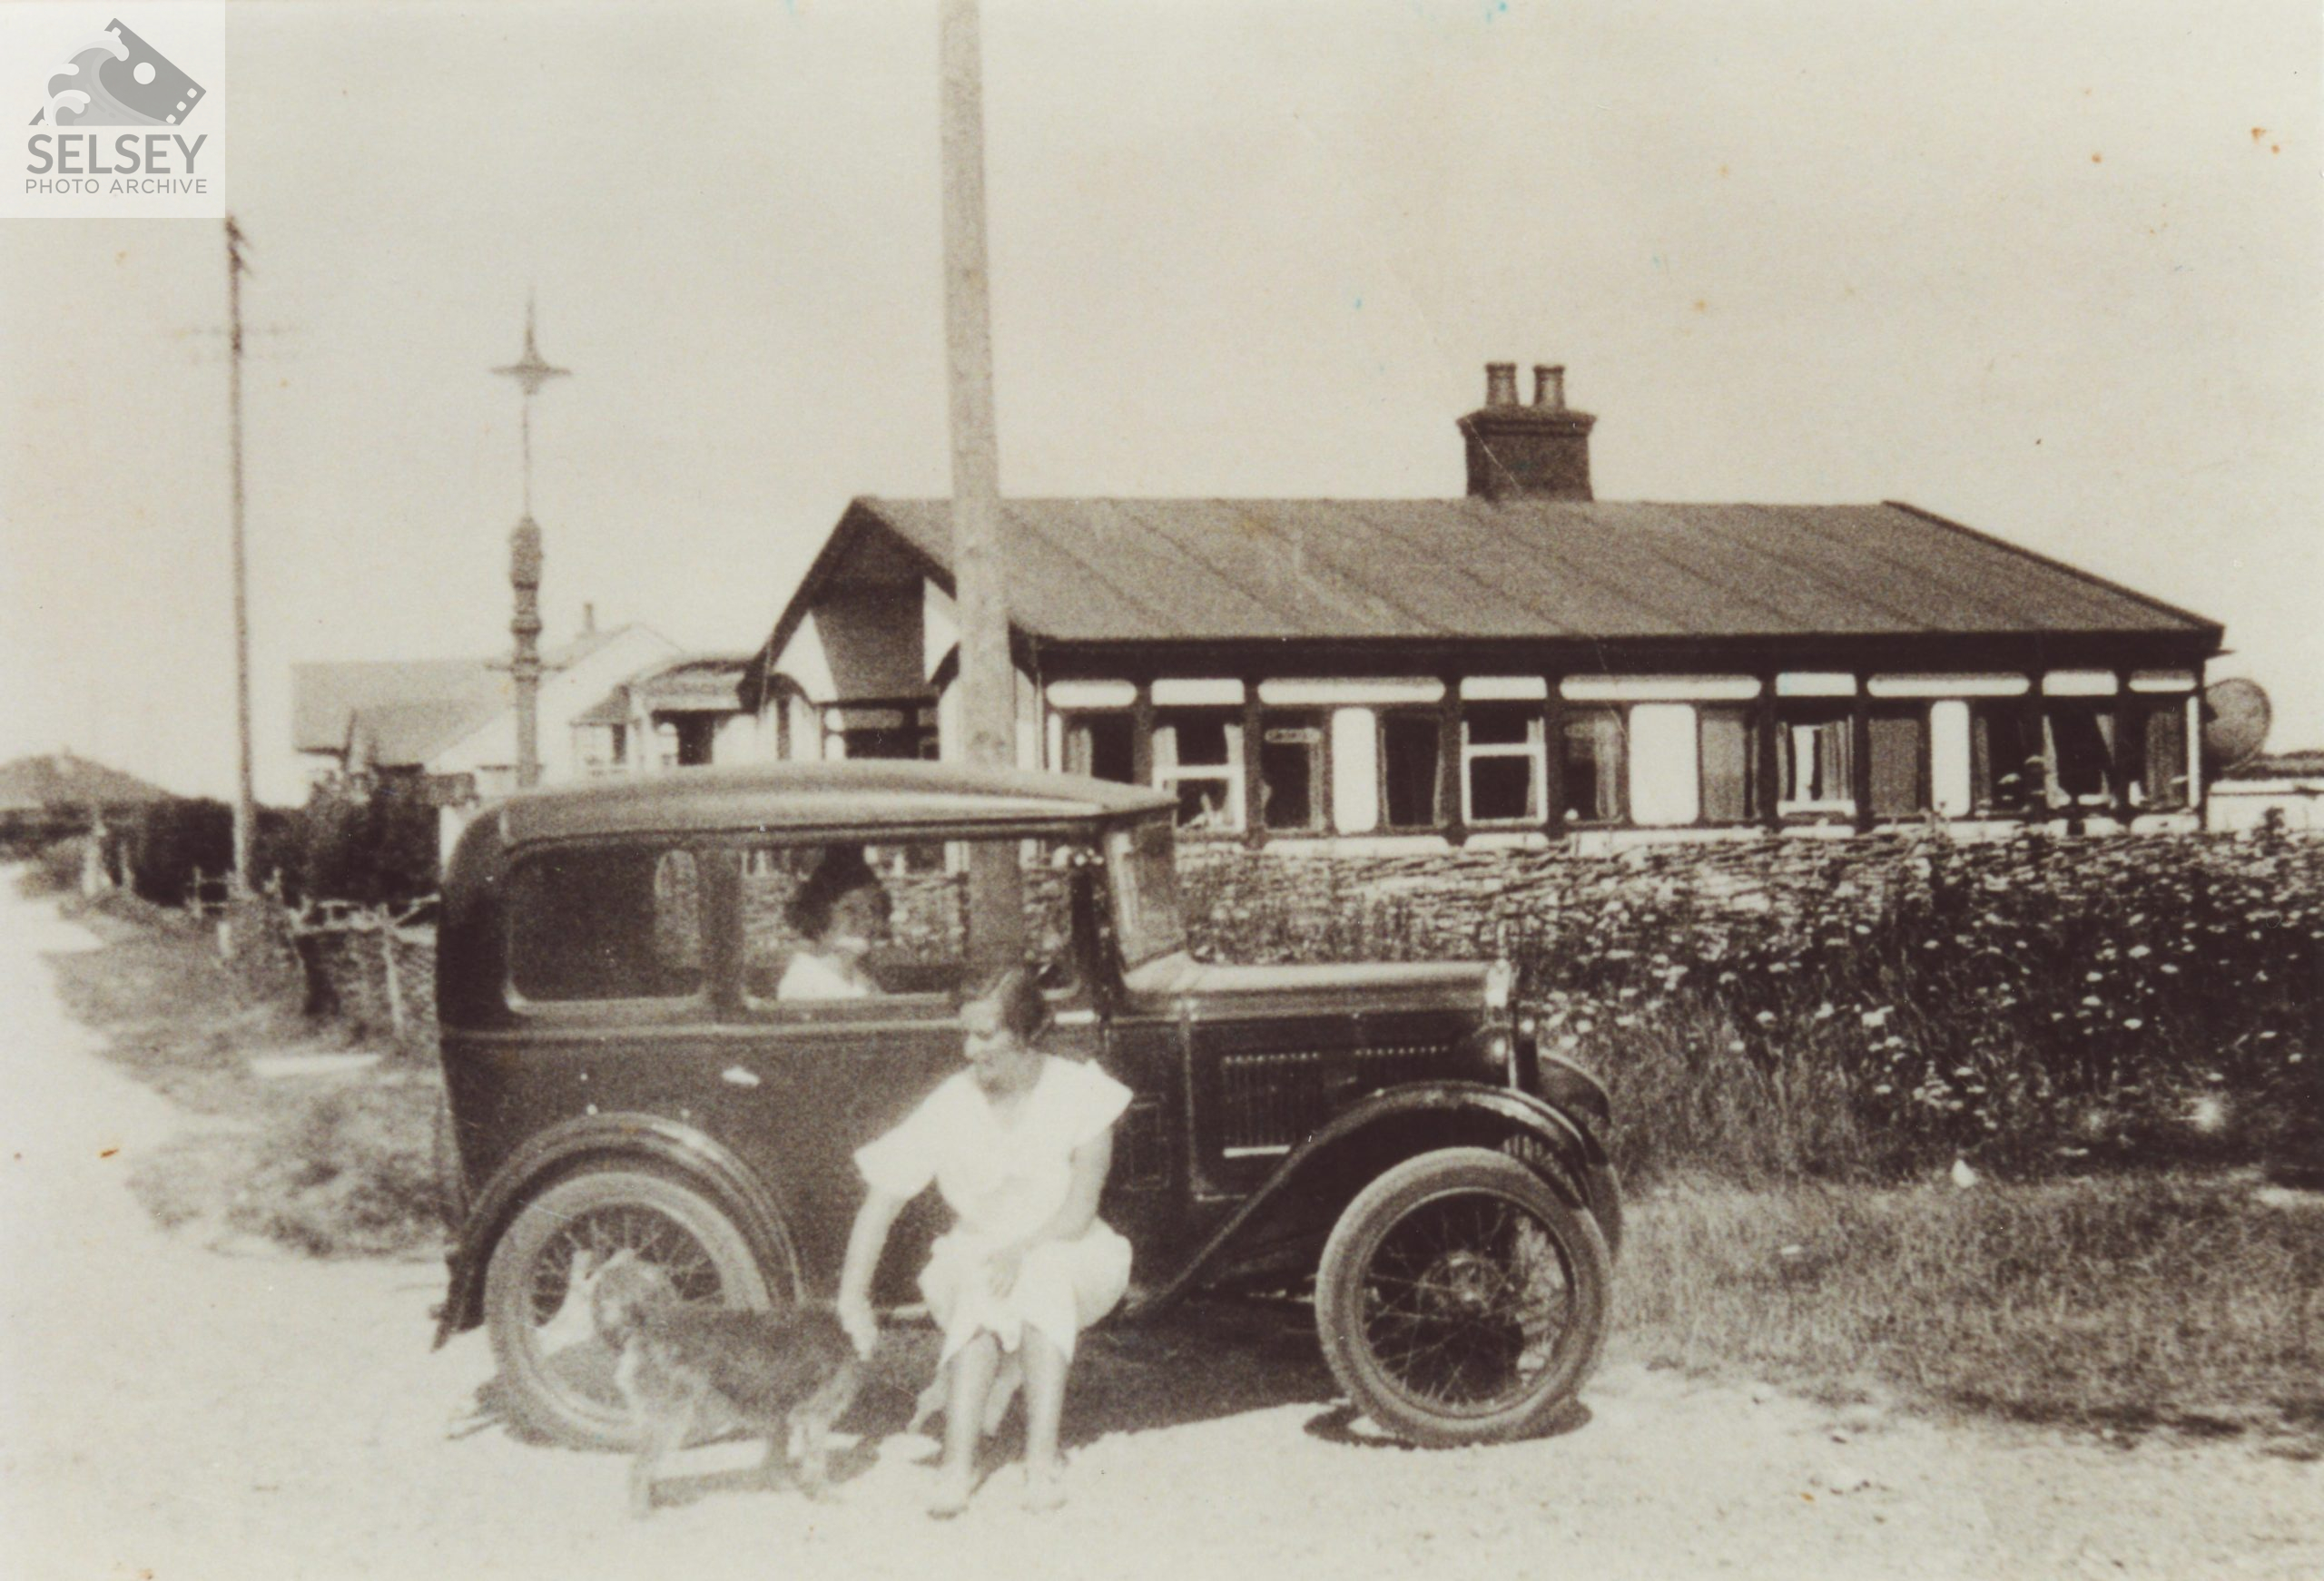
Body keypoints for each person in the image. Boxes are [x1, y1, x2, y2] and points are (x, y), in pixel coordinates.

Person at [836, 966, 1131, 1517]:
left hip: (1070, 1248)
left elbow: (1078, 1210)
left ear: (1025, 1032)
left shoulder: (1080, 1092)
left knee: (1039, 1276)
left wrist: (1021, 1249)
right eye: (964, 1034)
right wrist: (853, 1296)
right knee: (980, 1280)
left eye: (985, 1034)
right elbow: (883, 1198)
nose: (970, 1049)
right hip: (975, 1253)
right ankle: (958, 1465)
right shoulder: (954, 1101)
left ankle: (1040, 1462)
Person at [774, 849, 890, 1000]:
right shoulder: (805, 982)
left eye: (874, 910)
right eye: (850, 909)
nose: (867, 920)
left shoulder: (859, 979)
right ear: (818, 914)